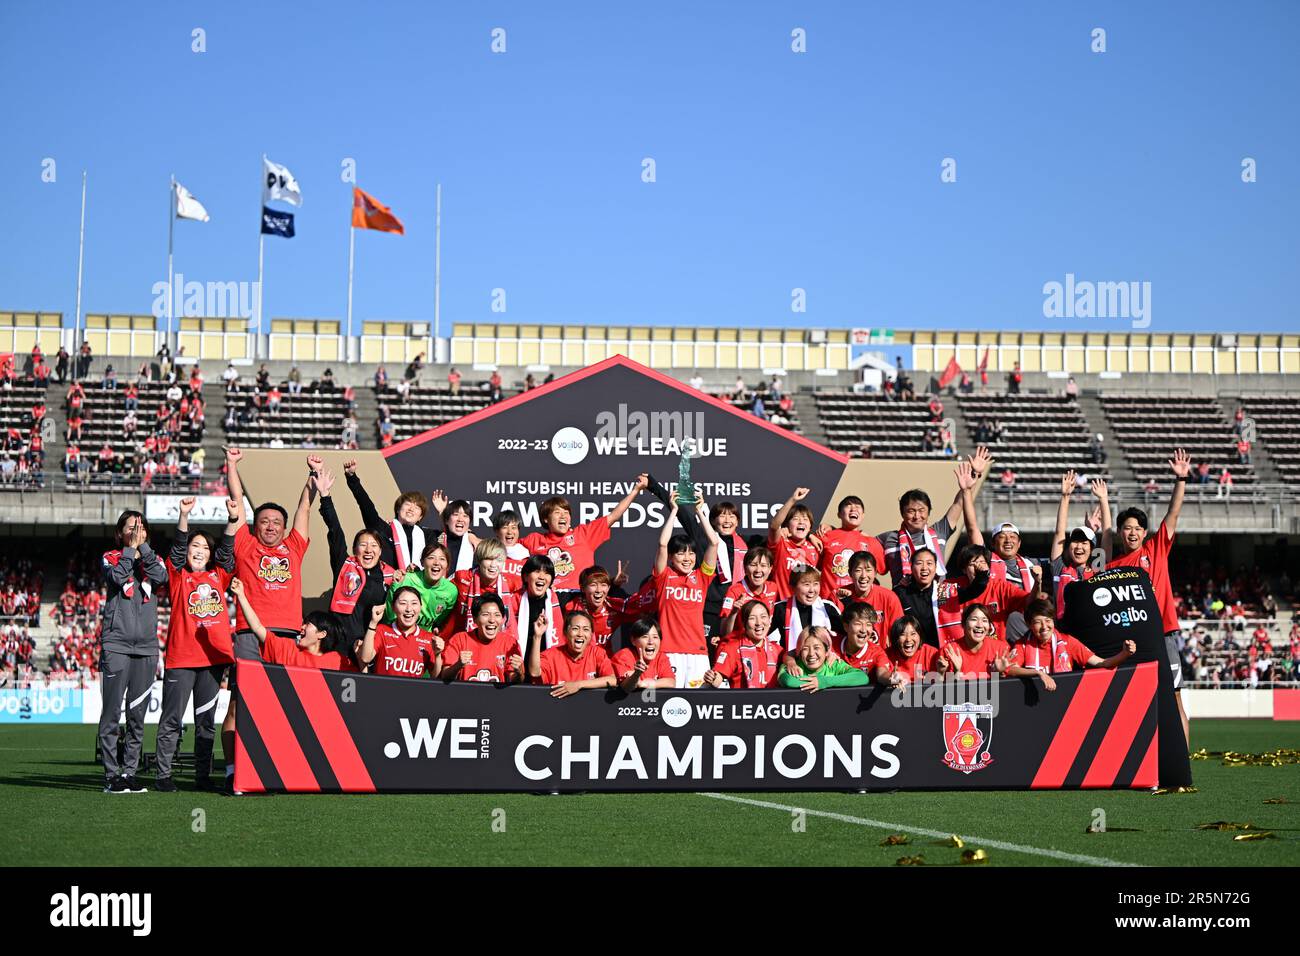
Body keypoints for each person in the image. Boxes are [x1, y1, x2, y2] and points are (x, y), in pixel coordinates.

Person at [218, 447, 317, 790]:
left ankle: (275, 769)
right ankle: (232, 772)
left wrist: (312, 477)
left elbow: (305, 507)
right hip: (249, 634)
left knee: (284, 707)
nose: (271, 526)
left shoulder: (295, 546)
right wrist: (232, 465)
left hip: (287, 636)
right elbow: (236, 498)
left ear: (285, 527)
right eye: (265, 521)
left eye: (277, 522)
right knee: (240, 705)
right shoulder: (244, 544)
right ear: (255, 526)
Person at [153, 496, 239, 792]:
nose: (199, 551)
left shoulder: (219, 576)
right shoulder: (177, 576)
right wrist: (183, 516)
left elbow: (227, 554)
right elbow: (175, 553)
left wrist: (231, 521)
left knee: (206, 724)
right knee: (171, 721)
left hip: (213, 661)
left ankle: (202, 776)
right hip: (181, 659)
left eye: (205, 547)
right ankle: (163, 775)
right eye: (195, 546)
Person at [1108, 447, 1192, 744]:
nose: (1132, 533)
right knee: (1136, 704)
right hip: (1133, 641)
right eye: (1127, 528)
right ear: (1119, 532)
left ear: (1145, 532)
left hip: (1164, 634)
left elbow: (1173, 514)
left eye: (1137, 528)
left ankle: (1182, 767)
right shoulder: (1112, 567)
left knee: (1175, 700)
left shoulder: (1155, 549)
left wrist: (1180, 480)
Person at [99, 511, 169, 793]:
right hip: (116, 644)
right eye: (131, 528)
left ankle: (129, 772)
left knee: (137, 715)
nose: (136, 531)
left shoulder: (154, 559)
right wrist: (129, 549)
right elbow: (117, 577)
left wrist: (143, 548)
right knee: (112, 714)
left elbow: (161, 577)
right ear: (120, 533)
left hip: (147, 647)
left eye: (141, 528)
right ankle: (111, 775)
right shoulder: (111, 556)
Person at [878, 446, 991, 585]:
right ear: (902, 513)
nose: (917, 516)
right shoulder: (888, 538)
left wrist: (974, 475)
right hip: (903, 601)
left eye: (921, 510)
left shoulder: (939, 531)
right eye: (911, 511)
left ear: (929, 512)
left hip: (937, 599)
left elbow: (958, 504)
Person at [316, 468, 398, 656]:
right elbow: (335, 530)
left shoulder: (390, 576)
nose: (368, 550)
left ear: (380, 551)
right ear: (355, 550)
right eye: (363, 545)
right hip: (336, 648)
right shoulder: (344, 566)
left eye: (374, 546)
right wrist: (325, 496)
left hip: (368, 648)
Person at [519, 475, 650, 590]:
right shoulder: (534, 540)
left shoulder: (583, 534)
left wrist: (635, 490)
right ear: (545, 519)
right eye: (557, 513)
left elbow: (614, 516)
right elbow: (505, 547)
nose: (563, 516)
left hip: (579, 598)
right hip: (549, 598)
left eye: (566, 513)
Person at [652, 489, 719, 687]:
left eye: (691, 554)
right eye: (681, 554)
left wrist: (700, 511)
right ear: (672, 558)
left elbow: (714, 543)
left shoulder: (702, 577)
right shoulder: (664, 577)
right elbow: (662, 544)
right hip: (669, 651)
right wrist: (673, 511)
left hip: (697, 653)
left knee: (698, 707)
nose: (687, 558)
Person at [1001, 598, 1135, 691]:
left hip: (1065, 698)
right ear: (1030, 625)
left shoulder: (1068, 641)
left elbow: (1103, 663)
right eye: (1037, 622)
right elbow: (1011, 669)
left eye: (1048, 620)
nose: (1044, 626)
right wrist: (1038, 673)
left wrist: (1125, 653)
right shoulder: (1023, 644)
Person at [229, 578, 355, 671]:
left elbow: (360, 683)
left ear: (322, 634)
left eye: (308, 624)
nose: (302, 627)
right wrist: (241, 596)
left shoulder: (338, 661)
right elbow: (257, 628)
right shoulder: (288, 650)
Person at [341, 461, 438, 571]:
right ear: (398, 508)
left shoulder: (428, 536)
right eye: (407, 504)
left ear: (421, 516)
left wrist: (442, 512)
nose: (411, 509)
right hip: (389, 584)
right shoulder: (384, 530)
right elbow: (366, 506)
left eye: (417, 507)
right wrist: (352, 478)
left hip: (420, 586)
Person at [936, 543, 1042, 643]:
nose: (978, 568)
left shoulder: (1000, 587)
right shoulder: (949, 587)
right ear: (964, 569)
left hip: (994, 651)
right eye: (973, 564)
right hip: (960, 650)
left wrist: (1037, 583)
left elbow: (1032, 603)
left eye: (982, 563)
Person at [816, 495, 886, 605]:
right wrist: (809, 536)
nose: (853, 509)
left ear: (863, 515)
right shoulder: (826, 537)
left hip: (859, 607)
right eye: (848, 506)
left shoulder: (872, 543)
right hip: (828, 603)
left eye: (858, 507)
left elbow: (882, 569)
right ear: (839, 514)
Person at [528, 609, 614, 696]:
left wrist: (578, 685)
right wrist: (537, 636)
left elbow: (612, 680)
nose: (580, 634)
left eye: (586, 629)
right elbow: (534, 673)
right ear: (565, 632)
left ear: (591, 634)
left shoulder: (596, 653)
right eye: (575, 628)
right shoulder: (551, 655)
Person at [357, 590, 443, 678]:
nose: (409, 609)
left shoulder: (428, 638)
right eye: (403, 603)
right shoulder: (382, 630)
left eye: (414, 603)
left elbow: (435, 676)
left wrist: (437, 655)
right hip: (382, 690)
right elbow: (365, 658)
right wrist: (373, 623)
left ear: (420, 607)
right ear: (393, 607)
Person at [441, 593, 524, 683]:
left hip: (498, 696)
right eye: (485, 614)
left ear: (503, 619)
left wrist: (519, 673)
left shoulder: (510, 643)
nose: (492, 620)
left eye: (497, 615)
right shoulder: (459, 640)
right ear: (474, 619)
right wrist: (458, 665)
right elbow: (445, 676)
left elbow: (515, 681)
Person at [446, 538, 519, 636]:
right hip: (455, 641)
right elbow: (439, 590)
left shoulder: (511, 585)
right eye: (489, 559)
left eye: (499, 560)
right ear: (479, 560)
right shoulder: (461, 578)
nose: (493, 564)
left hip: (491, 645)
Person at [704, 601, 781, 689]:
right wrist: (712, 678)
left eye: (763, 617)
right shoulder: (732, 648)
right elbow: (718, 677)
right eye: (752, 618)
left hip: (772, 701)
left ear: (769, 620)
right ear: (744, 623)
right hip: (742, 701)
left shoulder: (778, 651)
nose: (759, 623)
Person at [385, 543, 457, 632]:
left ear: (447, 566)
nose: (436, 563)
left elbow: (439, 621)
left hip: (424, 640)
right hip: (398, 634)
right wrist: (395, 585)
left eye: (442, 559)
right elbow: (389, 616)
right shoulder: (406, 579)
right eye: (431, 558)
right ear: (422, 562)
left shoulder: (451, 591)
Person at [768, 486, 822, 602]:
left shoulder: (816, 547)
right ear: (787, 525)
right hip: (782, 605)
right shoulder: (781, 544)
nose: (801, 522)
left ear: (810, 527)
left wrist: (811, 535)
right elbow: (774, 526)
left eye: (805, 519)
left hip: (807, 605)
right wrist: (793, 499)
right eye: (796, 519)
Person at [561, 565, 634, 650]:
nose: (599, 590)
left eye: (603, 585)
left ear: (609, 588)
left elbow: (641, 609)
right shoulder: (570, 606)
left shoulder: (615, 608)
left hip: (604, 661)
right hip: (576, 660)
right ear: (583, 588)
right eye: (593, 585)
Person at [771, 568, 844, 654]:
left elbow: (847, 635)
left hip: (823, 664)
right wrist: (785, 656)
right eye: (806, 584)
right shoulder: (780, 608)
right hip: (792, 663)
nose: (812, 590)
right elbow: (762, 638)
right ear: (792, 588)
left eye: (816, 584)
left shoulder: (827, 607)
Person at [777, 626, 870, 693]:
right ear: (799, 652)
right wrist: (816, 682)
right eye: (805, 649)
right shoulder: (793, 665)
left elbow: (862, 677)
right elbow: (788, 681)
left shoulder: (833, 664)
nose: (811, 654)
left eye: (817, 648)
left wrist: (824, 681)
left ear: (826, 651)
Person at [505, 554, 565, 653]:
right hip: (518, 660)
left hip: (547, 661)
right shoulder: (513, 600)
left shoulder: (556, 599)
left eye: (546, 573)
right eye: (537, 571)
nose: (541, 577)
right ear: (525, 577)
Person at [934, 603, 1012, 678]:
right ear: (963, 624)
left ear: (989, 626)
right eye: (974, 619)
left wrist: (1000, 673)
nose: (979, 625)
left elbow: (1004, 688)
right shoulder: (949, 651)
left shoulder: (1000, 649)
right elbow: (941, 689)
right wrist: (956, 671)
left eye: (984, 621)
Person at [718, 545, 778, 639]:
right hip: (738, 645)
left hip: (763, 646)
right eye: (753, 565)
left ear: (770, 569)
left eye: (763, 565)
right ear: (745, 568)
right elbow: (724, 632)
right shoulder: (734, 591)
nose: (758, 570)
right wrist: (734, 613)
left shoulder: (773, 588)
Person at [840, 551, 903, 636]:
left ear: (875, 573)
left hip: (880, 649)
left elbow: (899, 632)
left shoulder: (889, 598)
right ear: (850, 573)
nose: (863, 575)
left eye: (868, 570)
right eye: (858, 570)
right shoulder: (839, 596)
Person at [610, 617, 677, 691]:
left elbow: (671, 682)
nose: (651, 642)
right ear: (633, 640)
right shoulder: (623, 656)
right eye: (645, 637)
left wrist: (644, 684)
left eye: (655, 637)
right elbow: (626, 688)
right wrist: (636, 674)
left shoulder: (661, 657)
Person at [875, 616, 940, 687]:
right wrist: (891, 677)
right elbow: (881, 675)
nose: (908, 639)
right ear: (895, 638)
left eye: (913, 634)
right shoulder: (886, 654)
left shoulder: (931, 653)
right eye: (902, 634)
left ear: (920, 636)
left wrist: (940, 674)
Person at [429, 492, 481, 573]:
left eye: (465, 516)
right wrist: (442, 512)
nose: (460, 519)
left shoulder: (476, 546)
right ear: (446, 520)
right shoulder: (433, 538)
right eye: (455, 514)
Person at [833, 603, 888, 676]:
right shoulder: (830, 646)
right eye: (858, 624)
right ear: (846, 626)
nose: (864, 630)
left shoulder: (876, 652)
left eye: (868, 624)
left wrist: (891, 678)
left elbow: (883, 673)